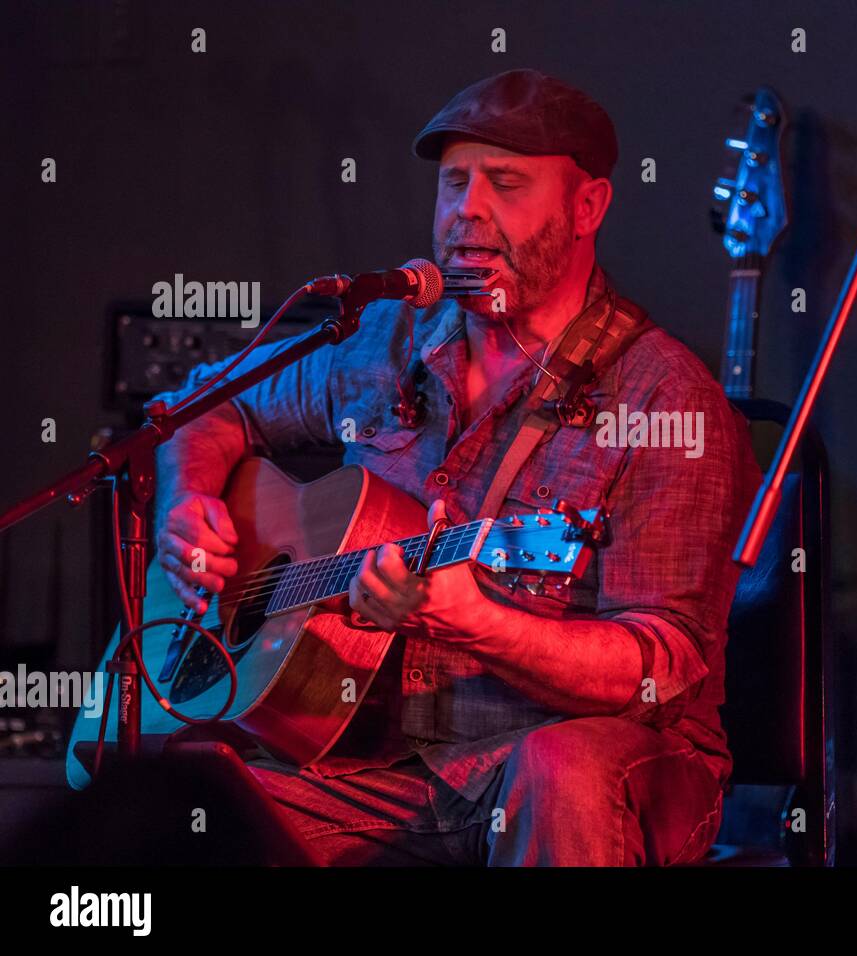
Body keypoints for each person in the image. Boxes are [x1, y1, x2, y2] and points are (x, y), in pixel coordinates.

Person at [152, 68, 761, 866]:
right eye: (454, 184)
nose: (467, 210)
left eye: (504, 184)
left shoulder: (664, 399)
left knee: (562, 767)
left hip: (579, 767)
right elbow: (205, 406)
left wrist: (480, 621)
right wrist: (190, 495)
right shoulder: (387, 338)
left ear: (588, 208)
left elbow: (661, 667)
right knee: (174, 803)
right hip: (376, 766)